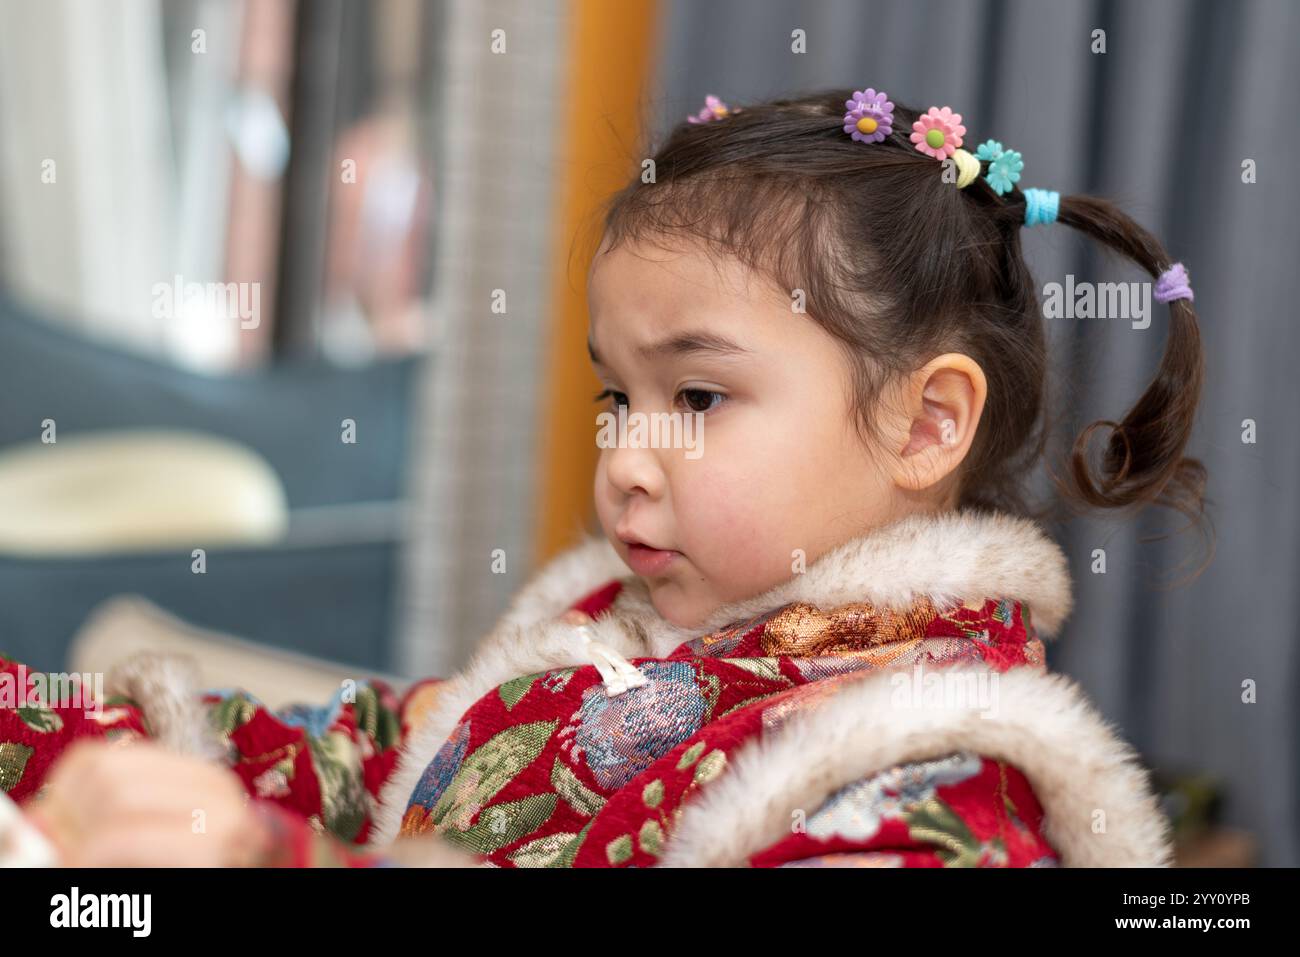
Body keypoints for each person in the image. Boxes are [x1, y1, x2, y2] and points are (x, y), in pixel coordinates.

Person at [5, 88, 1205, 867]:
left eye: (696, 399)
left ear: (926, 422)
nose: (625, 462)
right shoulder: (605, 638)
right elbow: (358, 751)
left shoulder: (941, 784)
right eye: (612, 399)